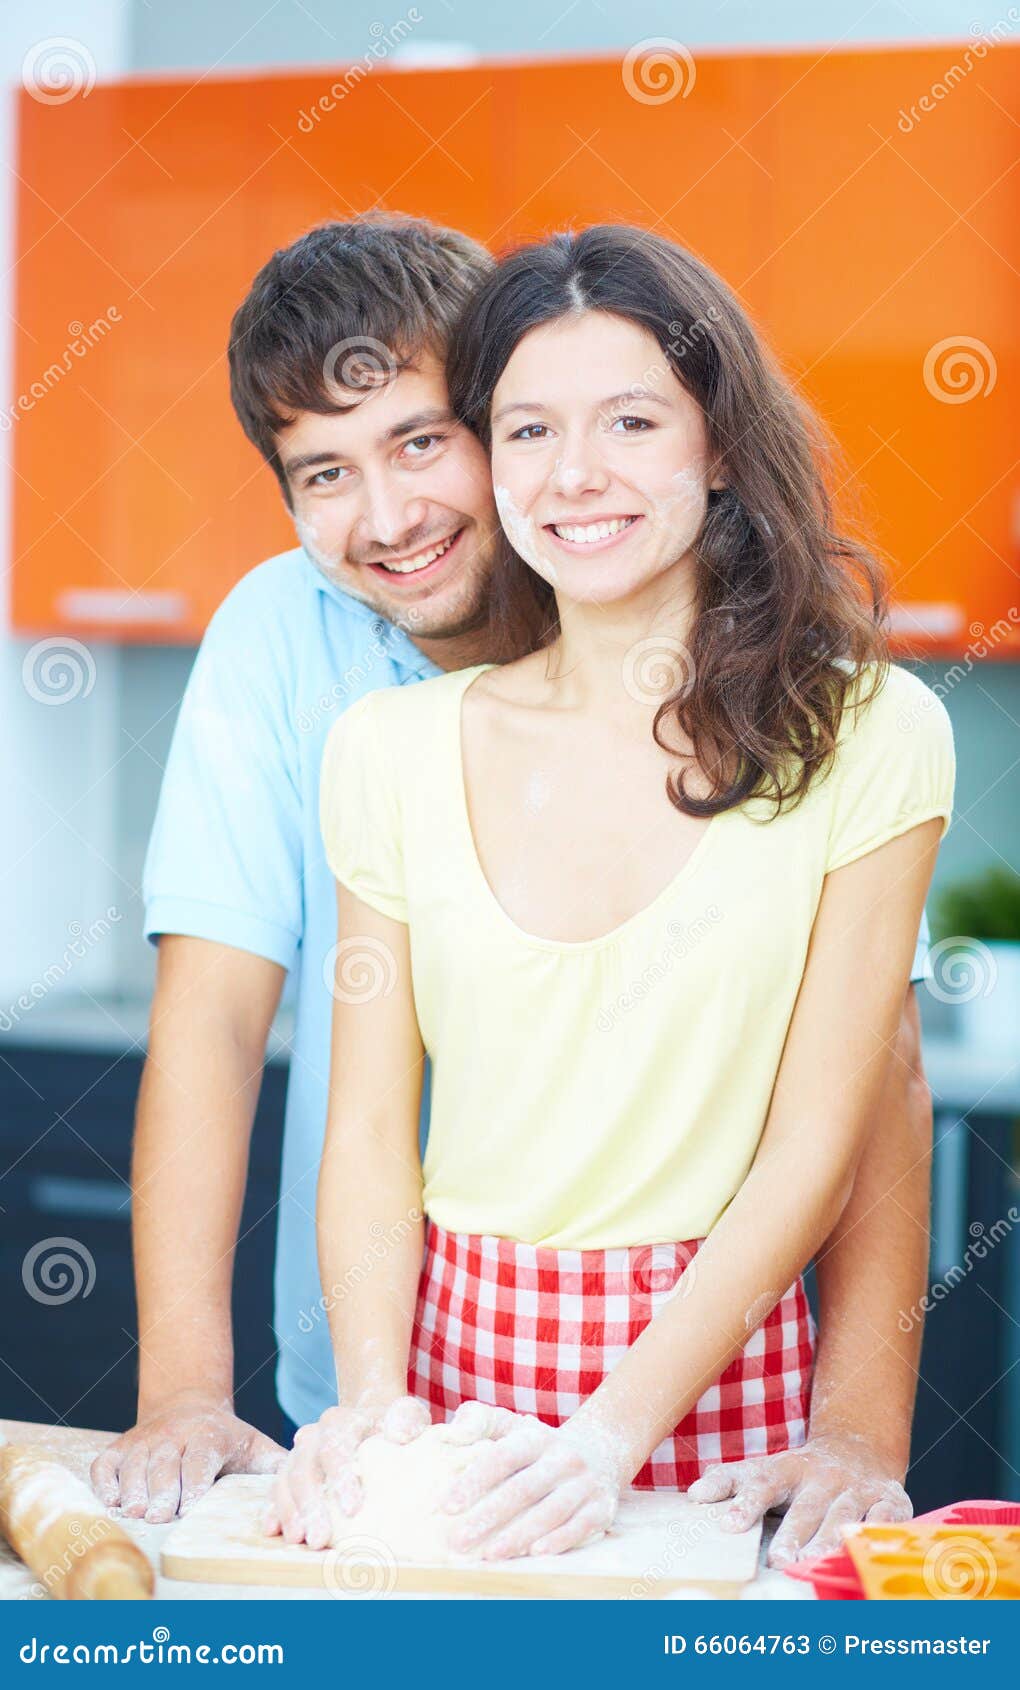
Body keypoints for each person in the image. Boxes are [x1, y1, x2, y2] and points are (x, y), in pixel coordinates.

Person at [93, 215, 939, 1567]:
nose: (391, 515)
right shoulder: (300, 655)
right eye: (324, 471)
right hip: (379, 1377)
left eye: (427, 440)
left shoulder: (731, 655)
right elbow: (212, 1023)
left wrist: (857, 1421)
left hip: (707, 1395)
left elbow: (864, 1076)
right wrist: (193, 1392)